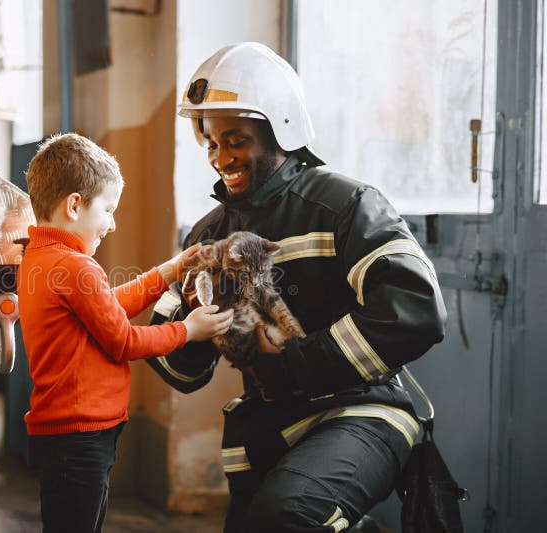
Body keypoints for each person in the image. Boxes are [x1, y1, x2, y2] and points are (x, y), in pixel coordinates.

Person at [147, 42, 447, 532]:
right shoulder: (206, 237)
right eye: (211, 141)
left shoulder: (348, 205)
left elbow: (415, 309)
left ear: (281, 129)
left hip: (365, 410)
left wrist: (295, 365)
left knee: (287, 516)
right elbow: (182, 372)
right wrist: (186, 321)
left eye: (236, 139)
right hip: (270, 426)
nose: (220, 156)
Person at [17, 132, 234, 533]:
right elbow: (123, 340)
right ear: (75, 205)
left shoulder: (40, 257)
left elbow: (105, 308)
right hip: (80, 436)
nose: (112, 224)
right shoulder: (76, 267)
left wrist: (167, 272)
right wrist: (187, 330)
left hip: (64, 433)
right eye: (108, 209)